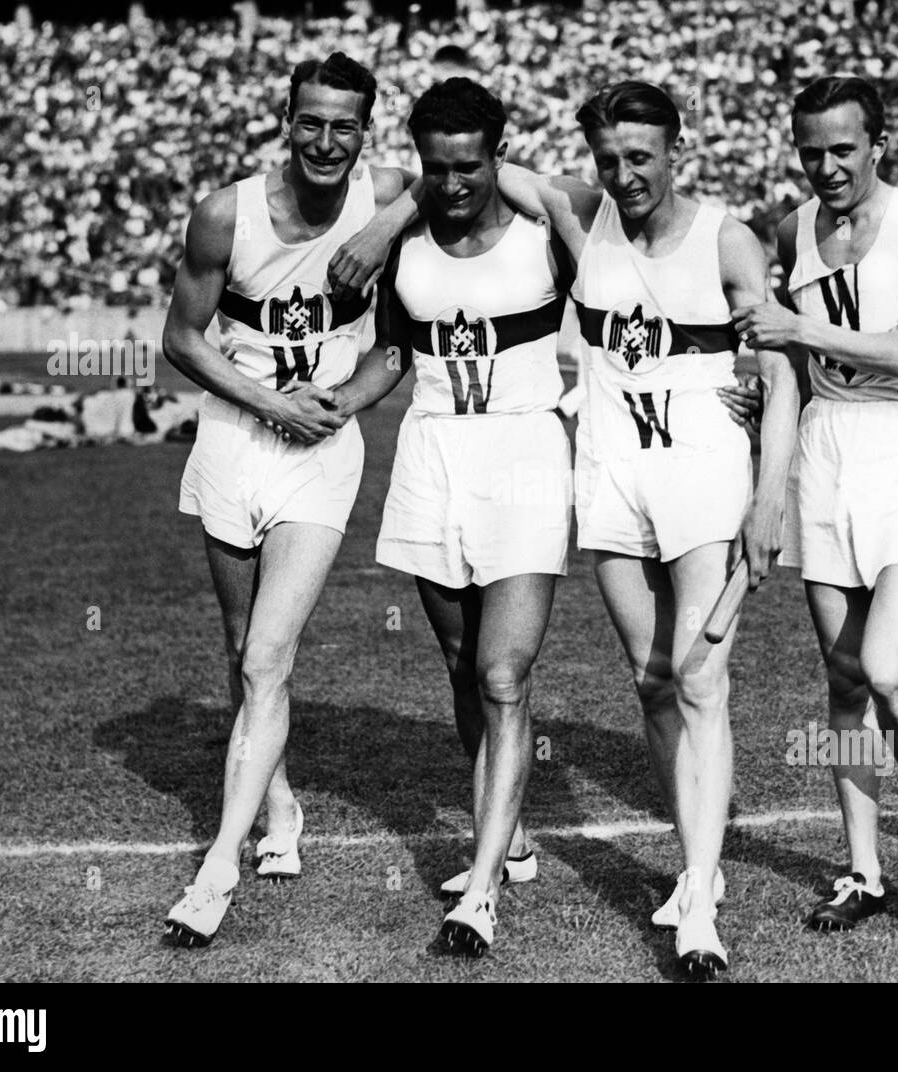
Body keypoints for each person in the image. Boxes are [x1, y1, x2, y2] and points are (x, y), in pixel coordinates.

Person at [348, 81, 797, 977]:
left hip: (703, 470)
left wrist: (771, 489)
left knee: (702, 677)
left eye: (642, 156)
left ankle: (700, 899)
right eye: (608, 158)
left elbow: (779, 363)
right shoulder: (577, 216)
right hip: (608, 473)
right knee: (651, 677)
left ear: (679, 149)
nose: (625, 175)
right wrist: (379, 223)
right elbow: (459, 176)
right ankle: (689, 862)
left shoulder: (727, 238)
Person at [158, 52, 417, 946]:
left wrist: (339, 404)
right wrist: (270, 402)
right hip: (236, 438)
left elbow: (397, 344)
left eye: (344, 124)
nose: (325, 140)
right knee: (242, 648)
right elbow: (181, 339)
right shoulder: (224, 213)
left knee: (268, 653)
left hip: (322, 452)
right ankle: (280, 808)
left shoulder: (385, 191)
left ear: (365, 130)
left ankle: (217, 866)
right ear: (286, 119)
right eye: (310, 121)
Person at [311, 77, 572, 957]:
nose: (454, 185)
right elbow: (393, 352)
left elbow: (618, 247)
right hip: (432, 458)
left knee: (505, 674)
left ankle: (483, 886)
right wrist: (337, 404)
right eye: (436, 169)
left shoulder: (542, 233)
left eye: (470, 167)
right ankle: (514, 837)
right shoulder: (410, 244)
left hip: (526, 457)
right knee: (464, 665)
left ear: (499, 156)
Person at [730, 74, 898, 931]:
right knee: (840, 678)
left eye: (842, 148)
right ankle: (862, 872)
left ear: (878, 145)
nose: (826, 166)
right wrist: (765, 478)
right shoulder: (793, 227)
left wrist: (800, 330)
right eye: (810, 150)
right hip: (827, 448)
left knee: (887, 669)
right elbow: (785, 371)